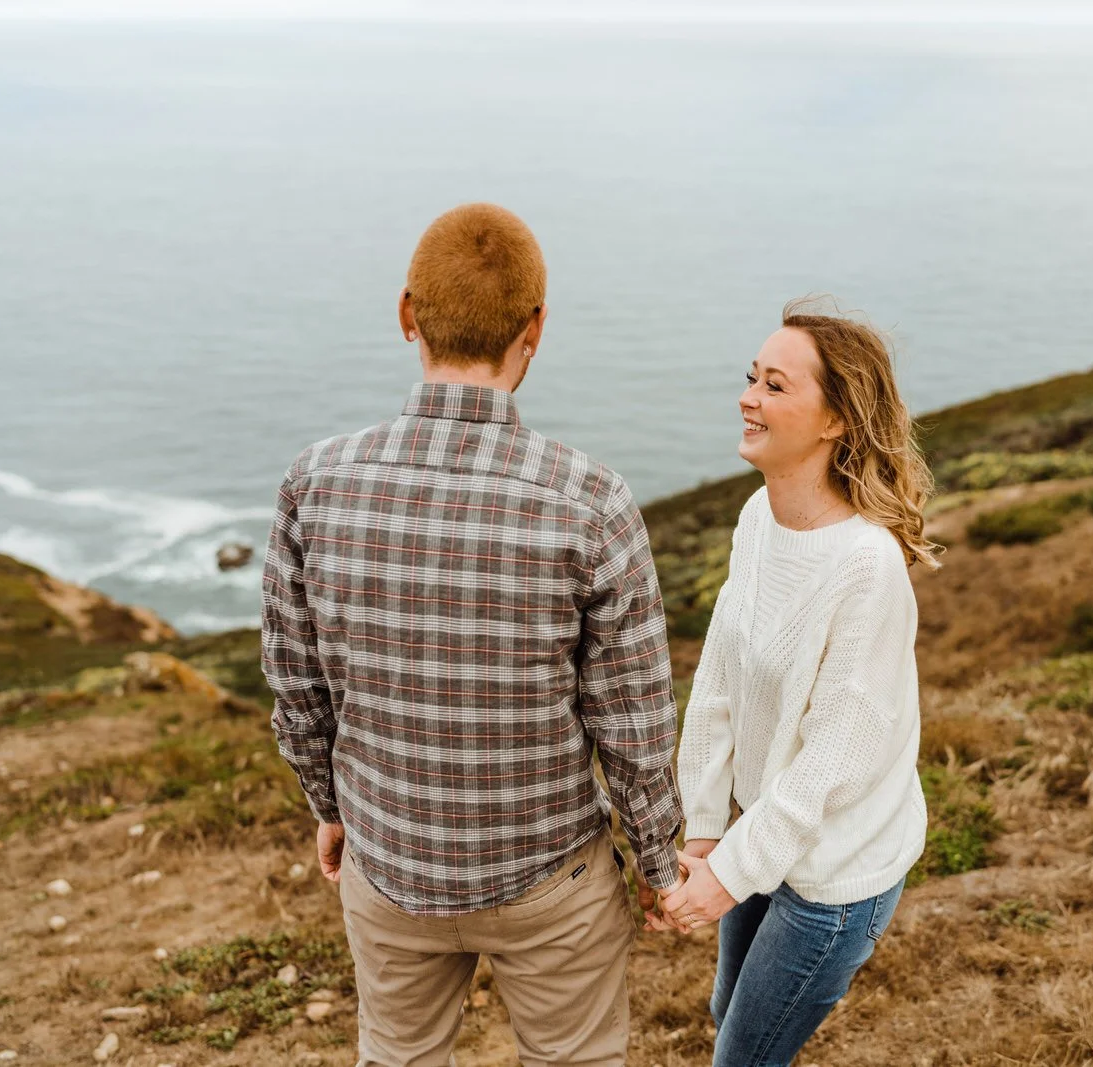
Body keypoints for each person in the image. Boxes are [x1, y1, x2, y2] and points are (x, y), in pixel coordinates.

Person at [261, 203, 684, 1067]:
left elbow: (296, 689)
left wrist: (330, 809)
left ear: (407, 312)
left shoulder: (315, 482)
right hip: (552, 878)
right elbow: (633, 725)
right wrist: (658, 859)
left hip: (388, 864)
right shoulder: (591, 501)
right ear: (536, 328)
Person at [659, 301, 938, 1066]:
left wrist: (728, 875)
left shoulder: (866, 566)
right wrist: (706, 830)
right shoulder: (758, 517)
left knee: (742, 1056)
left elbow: (829, 763)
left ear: (835, 420)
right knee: (727, 1011)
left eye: (775, 386)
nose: (748, 398)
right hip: (765, 831)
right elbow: (718, 679)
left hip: (835, 874)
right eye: (752, 378)